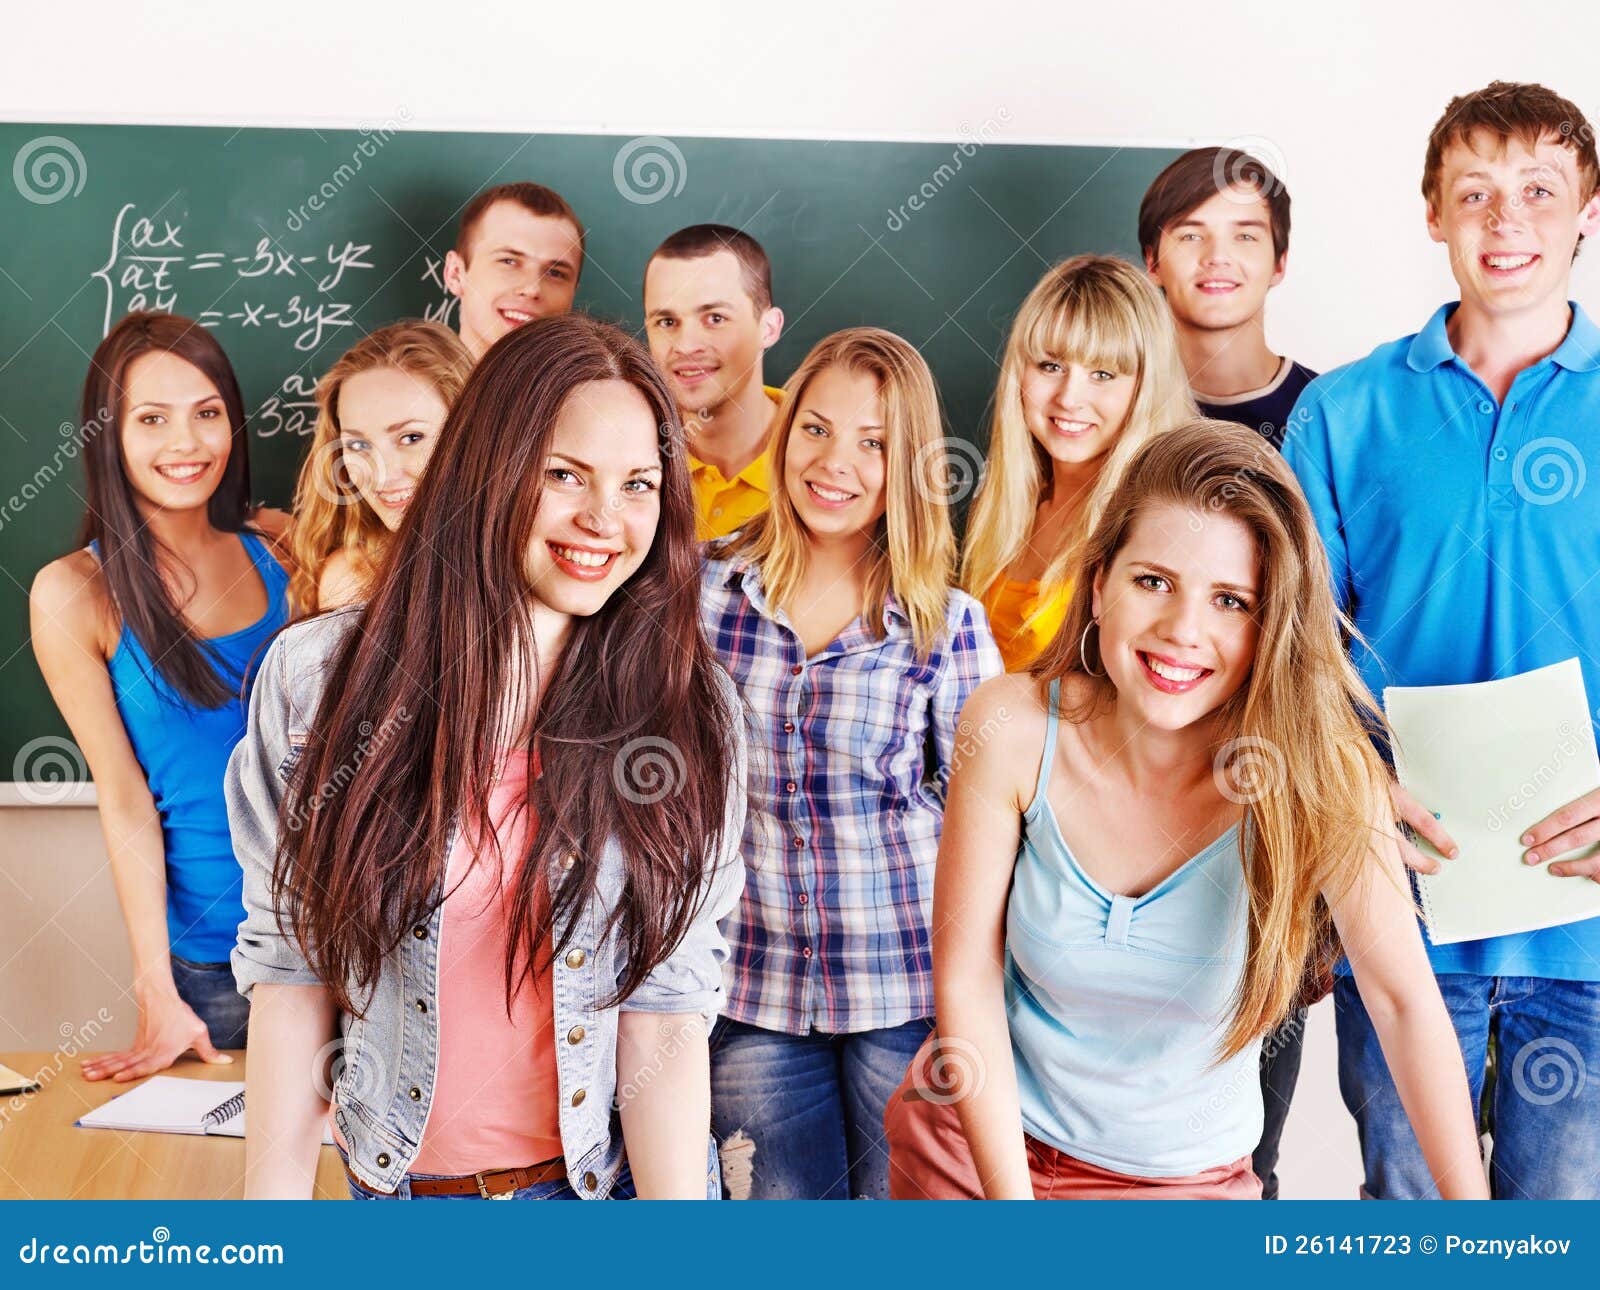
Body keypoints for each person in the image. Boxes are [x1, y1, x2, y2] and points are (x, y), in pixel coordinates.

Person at [887, 421, 1489, 1201]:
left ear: (1271, 621)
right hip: (973, 1154)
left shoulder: (1321, 772)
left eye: (1230, 600)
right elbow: (965, 978)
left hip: (1182, 1188)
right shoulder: (1008, 728)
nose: (1182, 631)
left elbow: (1404, 1004)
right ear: (1099, 585)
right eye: (1153, 581)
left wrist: (1474, 1227)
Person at [228, 314, 746, 1200]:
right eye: (563, 475)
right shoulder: (317, 683)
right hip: (401, 1197)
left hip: (603, 1194)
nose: (603, 520)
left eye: (638, 485)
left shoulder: (690, 713)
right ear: (486, 467)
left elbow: (664, 1018)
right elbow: (291, 973)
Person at [1283, 80, 1600, 1200]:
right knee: (1412, 1237)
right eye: (1474, 193)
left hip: (1587, 931)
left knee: (1559, 1240)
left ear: (1585, 214)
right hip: (1399, 904)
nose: (1505, 221)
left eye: (1537, 192)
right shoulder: (1345, 413)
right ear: (1431, 214)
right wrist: (1353, 782)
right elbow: (1294, 654)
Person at [701, 327, 1003, 1199]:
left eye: (874, 443)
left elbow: (988, 828)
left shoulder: (949, 626)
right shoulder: (701, 593)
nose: (836, 462)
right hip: (749, 988)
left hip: (906, 996)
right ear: (784, 432)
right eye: (818, 429)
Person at [30, 312, 290, 1079]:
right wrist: (153, 983)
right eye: (153, 419)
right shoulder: (75, 593)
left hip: (336, 949)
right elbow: (125, 798)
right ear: (109, 436)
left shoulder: (285, 547)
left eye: (207, 413)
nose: (187, 444)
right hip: (210, 969)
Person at [961, 255, 1193, 671]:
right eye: (1051, 366)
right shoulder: (1003, 505)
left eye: (1103, 374)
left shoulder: (1156, 525)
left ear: (1145, 388)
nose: (1069, 398)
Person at [287, 321, 473, 616]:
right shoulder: (352, 580)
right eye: (358, 446)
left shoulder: (529, 558)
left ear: (469, 432)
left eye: (411, 438)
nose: (381, 475)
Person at [1140, 146, 1316, 451]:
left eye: (1245, 237)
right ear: (1153, 263)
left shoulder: (1326, 412)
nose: (1218, 257)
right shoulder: (1114, 405)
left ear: (1279, 263)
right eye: (1190, 236)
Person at [644, 224, 785, 539]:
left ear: (769, 327)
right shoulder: (627, 456)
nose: (685, 345)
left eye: (715, 319)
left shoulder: (825, 465)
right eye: (666, 322)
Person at [444, 182, 584, 359]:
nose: (532, 289)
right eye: (509, 261)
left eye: (555, 273)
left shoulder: (594, 385)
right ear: (455, 274)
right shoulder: (406, 383)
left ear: (572, 293)